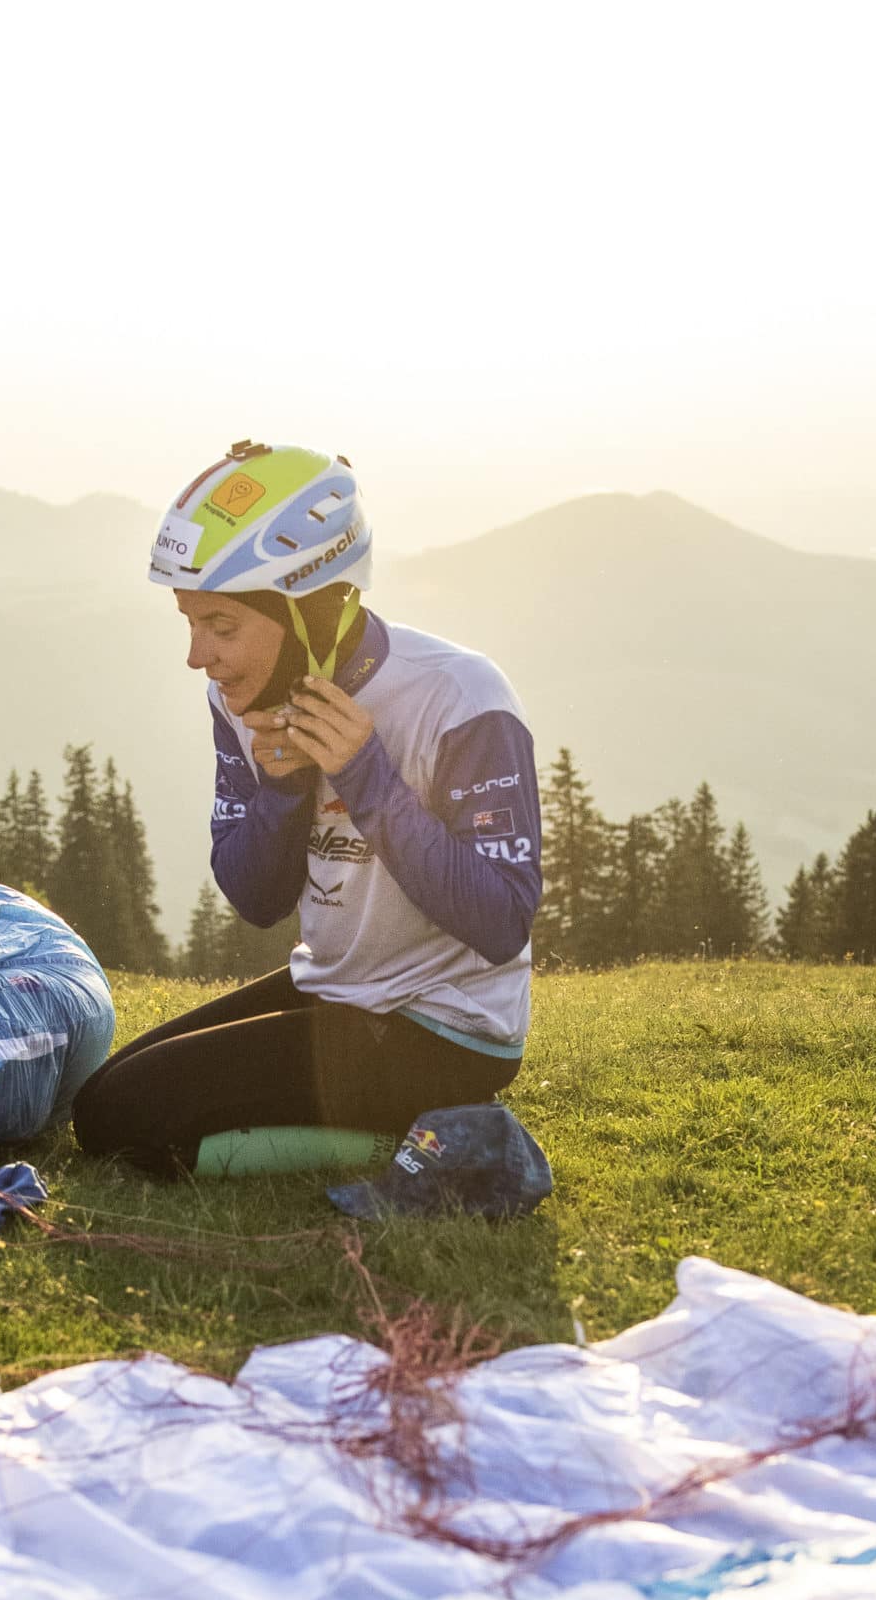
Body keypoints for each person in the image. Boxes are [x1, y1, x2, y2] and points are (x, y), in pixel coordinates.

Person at [71, 441, 542, 1176]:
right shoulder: (239, 697)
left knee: (121, 1118)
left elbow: (502, 922)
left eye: (222, 626)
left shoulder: (460, 698)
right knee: (103, 1099)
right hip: (338, 991)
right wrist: (284, 789)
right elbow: (256, 900)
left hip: (446, 1029)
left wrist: (368, 780)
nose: (198, 656)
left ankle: (443, 1144)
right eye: (189, 622)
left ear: (309, 613)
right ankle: (409, 1136)